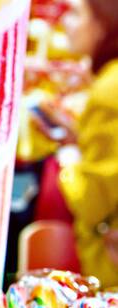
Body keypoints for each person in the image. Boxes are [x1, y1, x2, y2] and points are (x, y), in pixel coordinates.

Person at [59, 0, 118, 287]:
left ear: (102, 24)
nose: (65, 22)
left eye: (76, 13)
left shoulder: (109, 90)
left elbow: (92, 201)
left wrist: (68, 159)